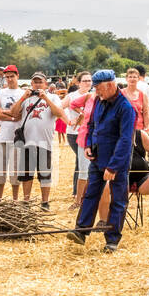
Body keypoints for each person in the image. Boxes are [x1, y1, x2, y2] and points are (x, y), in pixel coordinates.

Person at [70, 70, 136, 252]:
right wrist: (89, 144)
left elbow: (125, 140)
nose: (96, 92)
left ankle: (112, 239)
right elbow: (92, 124)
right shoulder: (99, 101)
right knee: (90, 194)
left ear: (109, 85)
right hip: (98, 158)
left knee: (118, 200)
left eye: (98, 88)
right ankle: (81, 231)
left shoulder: (126, 108)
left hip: (117, 163)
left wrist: (113, 167)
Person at [5, 73, 67, 208]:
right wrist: (23, 97)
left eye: (40, 82)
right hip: (27, 141)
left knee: (45, 174)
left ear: (45, 84)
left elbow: (58, 113)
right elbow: (13, 112)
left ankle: (45, 202)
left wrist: (45, 98)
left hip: (45, 141)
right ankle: (26, 202)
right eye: (35, 82)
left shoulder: (53, 97)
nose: (37, 84)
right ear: (31, 84)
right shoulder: (26, 98)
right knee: (26, 174)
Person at [0, 64, 26, 200]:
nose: (9, 79)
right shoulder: (0, 93)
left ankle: (15, 199)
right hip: (1, 135)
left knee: (15, 171)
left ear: (17, 76)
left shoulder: (23, 93)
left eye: (12, 76)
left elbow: (21, 113)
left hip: (16, 136)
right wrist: (11, 116)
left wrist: (4, 112)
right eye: (7, 77)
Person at [64, 72, 93, 205]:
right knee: (81, 161)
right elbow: (59, 109)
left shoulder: (94, 95)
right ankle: (78, 193)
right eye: (85, 80)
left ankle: (78, 192)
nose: (87, 83)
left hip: (88, 134)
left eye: (89, 80)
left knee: (81, 161)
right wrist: (69, 121)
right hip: (73, 133)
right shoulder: (72, 96)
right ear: (79, 82)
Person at [122, 66, 149, 130]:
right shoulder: (120, 94)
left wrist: (147, 128)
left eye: (134, 77)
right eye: (130, 77)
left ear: (138, 79)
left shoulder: (142, 95)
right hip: (123, 128)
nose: (132, 79)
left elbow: (146, 113)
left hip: (139, 128)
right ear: (126, 79)